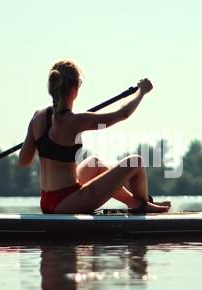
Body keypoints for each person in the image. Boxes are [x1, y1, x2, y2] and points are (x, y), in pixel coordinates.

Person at [18, 60, 171, 215]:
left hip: (46, 201)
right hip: (67, 202)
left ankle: (136, 202)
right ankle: (143, 206)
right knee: (135, 161)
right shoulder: (75, 120)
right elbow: (122, 114)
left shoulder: (37, 117)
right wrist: (141, 91)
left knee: (94, 163)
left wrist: (44, 145)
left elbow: (23, 161)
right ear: (75, 88)